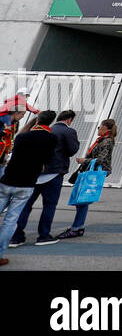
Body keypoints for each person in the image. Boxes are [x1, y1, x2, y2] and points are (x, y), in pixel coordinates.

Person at [10, 108, 79, 247]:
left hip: (33, 174)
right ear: (69, 120)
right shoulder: (66, 132)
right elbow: (72, 150)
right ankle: (43, 235)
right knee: (49, 205)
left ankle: (16, 236)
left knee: (26, 205)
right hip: (53, 173)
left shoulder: (34, 133)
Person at [0, 111, 56, 266]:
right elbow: (48, 159)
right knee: (10, 221)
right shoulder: (51, 138)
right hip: (27, 183)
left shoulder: (22, 136)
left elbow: (12, 154)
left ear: (37, 120)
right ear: (51, 122)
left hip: (8, 180)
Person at [56, 119, 116, 239]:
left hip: (92, 173)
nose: (98, 129)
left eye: (99, 126)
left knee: (83, 200)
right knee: (83, 199)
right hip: (90, 171)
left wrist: (84, 160)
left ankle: (76, 228)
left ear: (106, 129)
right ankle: (78, 227)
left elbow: (101, 160)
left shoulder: (107, 142)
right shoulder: (102, 140)